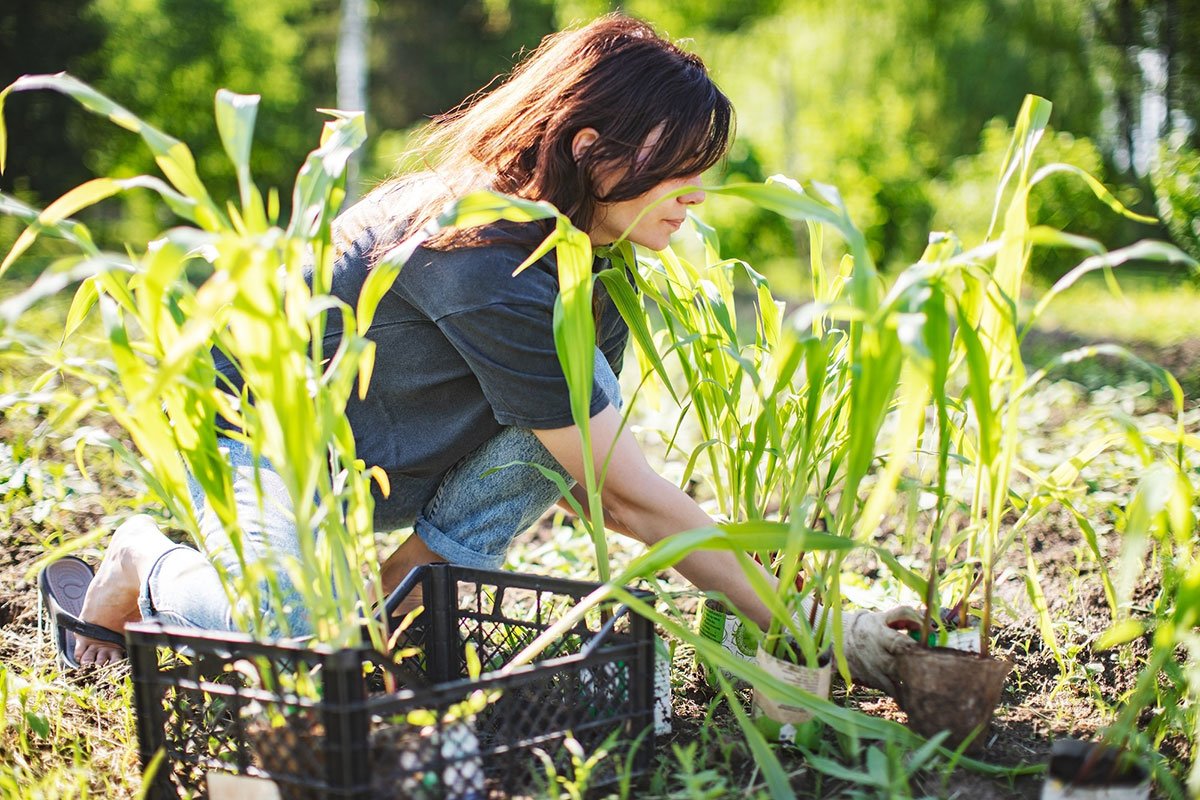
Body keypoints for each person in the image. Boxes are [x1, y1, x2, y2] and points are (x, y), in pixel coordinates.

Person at [51, 13, 919, 693]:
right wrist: (811, 625)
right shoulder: (481, 258)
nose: (697, 193)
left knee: (564, 426)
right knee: (303, 651)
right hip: (254, 429)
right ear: (590, 149)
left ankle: (401, 609)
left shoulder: (593, 272)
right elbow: (632, 498)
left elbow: (601, 489)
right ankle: (146, 559)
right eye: (678, 167)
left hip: (383, 448)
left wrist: (789, 613)